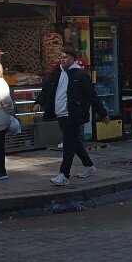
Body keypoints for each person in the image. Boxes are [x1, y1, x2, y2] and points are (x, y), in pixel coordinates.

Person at [34, 45, 110, 187]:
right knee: (73, 141)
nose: (62, 60)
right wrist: (39, 102)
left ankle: (64, 175)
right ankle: (89, 166)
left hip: (74, 114)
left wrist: (103, 114)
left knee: (69, 144)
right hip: (60, 113)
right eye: (61, 57)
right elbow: (47, 88)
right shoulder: (57, 72)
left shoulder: (80, 75)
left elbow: (92, 95)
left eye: (65, 57)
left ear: (72, 59)